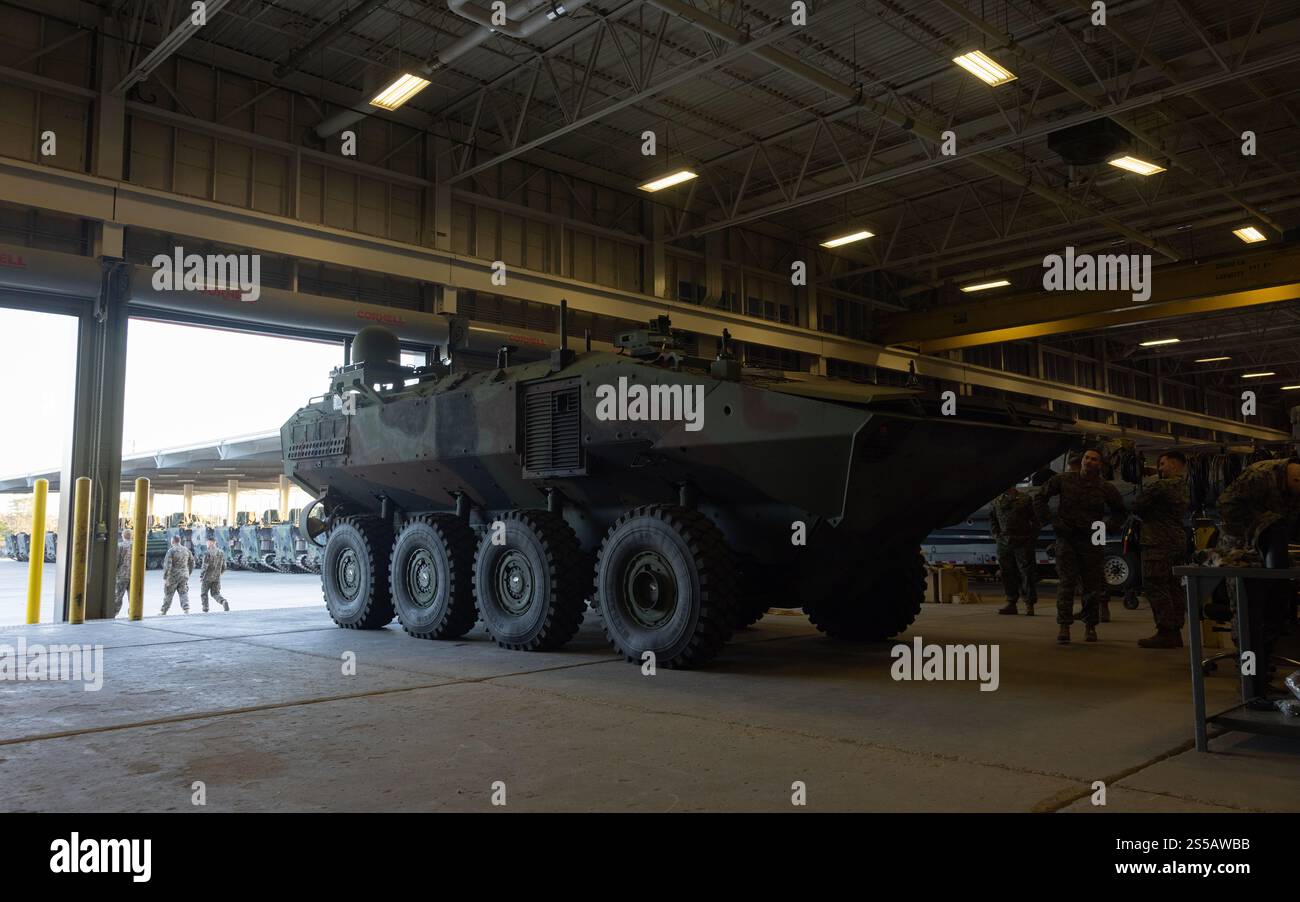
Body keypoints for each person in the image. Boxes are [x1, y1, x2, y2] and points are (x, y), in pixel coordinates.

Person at [1215, 456, 1300, 695]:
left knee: (1273, 614)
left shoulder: (1292, 485)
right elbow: (1226, 506)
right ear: (1294, 478)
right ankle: (1250, 681)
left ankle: (1264, 674)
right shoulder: (1259, 476)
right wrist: (1263, 526)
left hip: (1272, 553)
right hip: (1241, 550)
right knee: (1247, 619)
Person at [1034, 447, 1127, 643]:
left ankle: (1090, 627)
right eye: (1086, 458)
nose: (1089, 461)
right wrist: (1051, 520)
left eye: (1094, 459)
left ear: (1099, 464)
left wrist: (1105, 528)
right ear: (1082, 460)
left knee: (1092, 586)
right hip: (1067, 537)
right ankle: (1064, 626)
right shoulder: (1064, 480)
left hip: (1092, 538)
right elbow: (1040, 497)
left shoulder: (1105, 487)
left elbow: (1120, 511)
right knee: (1066, 584)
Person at [1132, 451, 1191, 648]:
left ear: (1174, 465)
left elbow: (1137, 505)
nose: (1159, 468)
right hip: (1176, 541)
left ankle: (1166, 631)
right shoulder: (1185, 486)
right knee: (1173, 587)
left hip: (1157, 541)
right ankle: (1175, 630)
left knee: (1156, 585)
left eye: (1163, 464)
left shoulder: (1160, 486)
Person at [990, 486, 1040, 615]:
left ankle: (1029, 603)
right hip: (1004, 542)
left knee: (1026, 573)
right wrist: (997, 535)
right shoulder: (997, 501)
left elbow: (1035, 519)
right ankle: (1011, 602)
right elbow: (993, 519)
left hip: (1023, 540)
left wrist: (1031, 537)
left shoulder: (1025, 499)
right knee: (1007, 572)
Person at [160, 535, 194, 615]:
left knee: (169, 593)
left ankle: (164, 611)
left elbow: (168, 565)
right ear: (179, 541)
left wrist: (165, 577)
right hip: (184, 575)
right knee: (183, 592)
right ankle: (186, 609)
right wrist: (188, 572)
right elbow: (192, 562)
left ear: (173, 541)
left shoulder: (171, 551)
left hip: (173, 576)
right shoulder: (186, 550)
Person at [200, 537, 230, 612]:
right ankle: (223, 601)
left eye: (207, 542)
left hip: (207, 577)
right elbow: (224, 566)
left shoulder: (207, 552)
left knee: (204, 593)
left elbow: (205, 566)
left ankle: (205, 608)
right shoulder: (221, 552)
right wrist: (219, 574)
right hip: (216, 578)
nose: (207, 544)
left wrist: (201, 576)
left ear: (211, 542)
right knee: (215, 593)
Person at [111, 529, 132, 618]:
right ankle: (133, 612)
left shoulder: (120, 546)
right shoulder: (137, 545)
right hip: (134, 575)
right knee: (133, 597)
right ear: (131, 536)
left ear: (123, 536)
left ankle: (114, 613)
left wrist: (114, 572)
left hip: (122, 575)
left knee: (118, 596)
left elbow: (116, 560)